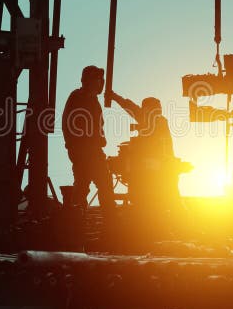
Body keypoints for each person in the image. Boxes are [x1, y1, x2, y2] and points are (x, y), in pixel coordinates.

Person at [107, 91, 180, 209]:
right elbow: (128, 106)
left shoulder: (160, 121)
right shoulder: (146, 117)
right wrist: (115, 97)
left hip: (162, 165)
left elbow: (155, 134)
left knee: (169, 195)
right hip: (149, 168)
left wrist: (138, 127)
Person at [61, 66, 115, 211]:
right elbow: (69, 124)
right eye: (97, 80)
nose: (100, 83)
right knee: (86, 185)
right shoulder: (77, 97)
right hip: (83, 151)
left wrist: (100, 139)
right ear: (88, 81)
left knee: (97, 183)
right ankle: (76, 217)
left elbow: (97, 125)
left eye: (101, 80)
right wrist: (76, 147)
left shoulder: (93, 101)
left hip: (92, 150)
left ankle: (107, 217)